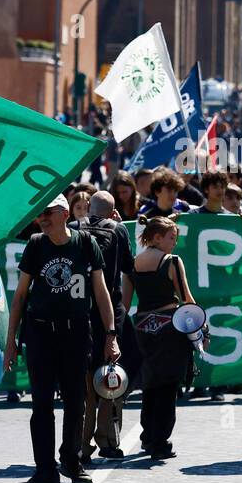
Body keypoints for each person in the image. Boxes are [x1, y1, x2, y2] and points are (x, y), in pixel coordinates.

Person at [5, 195, 119, 483]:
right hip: (40, 332)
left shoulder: (85, 244)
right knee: (41, 403)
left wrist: (111, 333)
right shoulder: (35, 244)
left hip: (77, 332)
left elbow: (101, 291)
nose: (41, 218)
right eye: (38, 213)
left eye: (48, 212)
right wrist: (10, 341)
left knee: (76, 400)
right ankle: (45, 471)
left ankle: (71, 460)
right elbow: (19, 296)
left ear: (65, 213)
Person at [123, 216, 201, 460]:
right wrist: (201, 329)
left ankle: (148, 435)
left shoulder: (133, 263)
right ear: (156, 237)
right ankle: (159, 441)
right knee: (168, 386)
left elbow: (124, 304)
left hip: (142, 328)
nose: (174, 244)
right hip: (170, 327)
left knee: (150, 384)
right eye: (171, 238)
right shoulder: (172, 262)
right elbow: (186, 298)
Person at [71, 191, 136, 463]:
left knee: (85, 378)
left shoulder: (74, 228)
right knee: (111, 374)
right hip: (109, 310)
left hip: (79, 310)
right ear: (112, 211)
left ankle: (82, 445)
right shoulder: (118, 230)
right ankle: (107, 439)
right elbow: (129, 267)